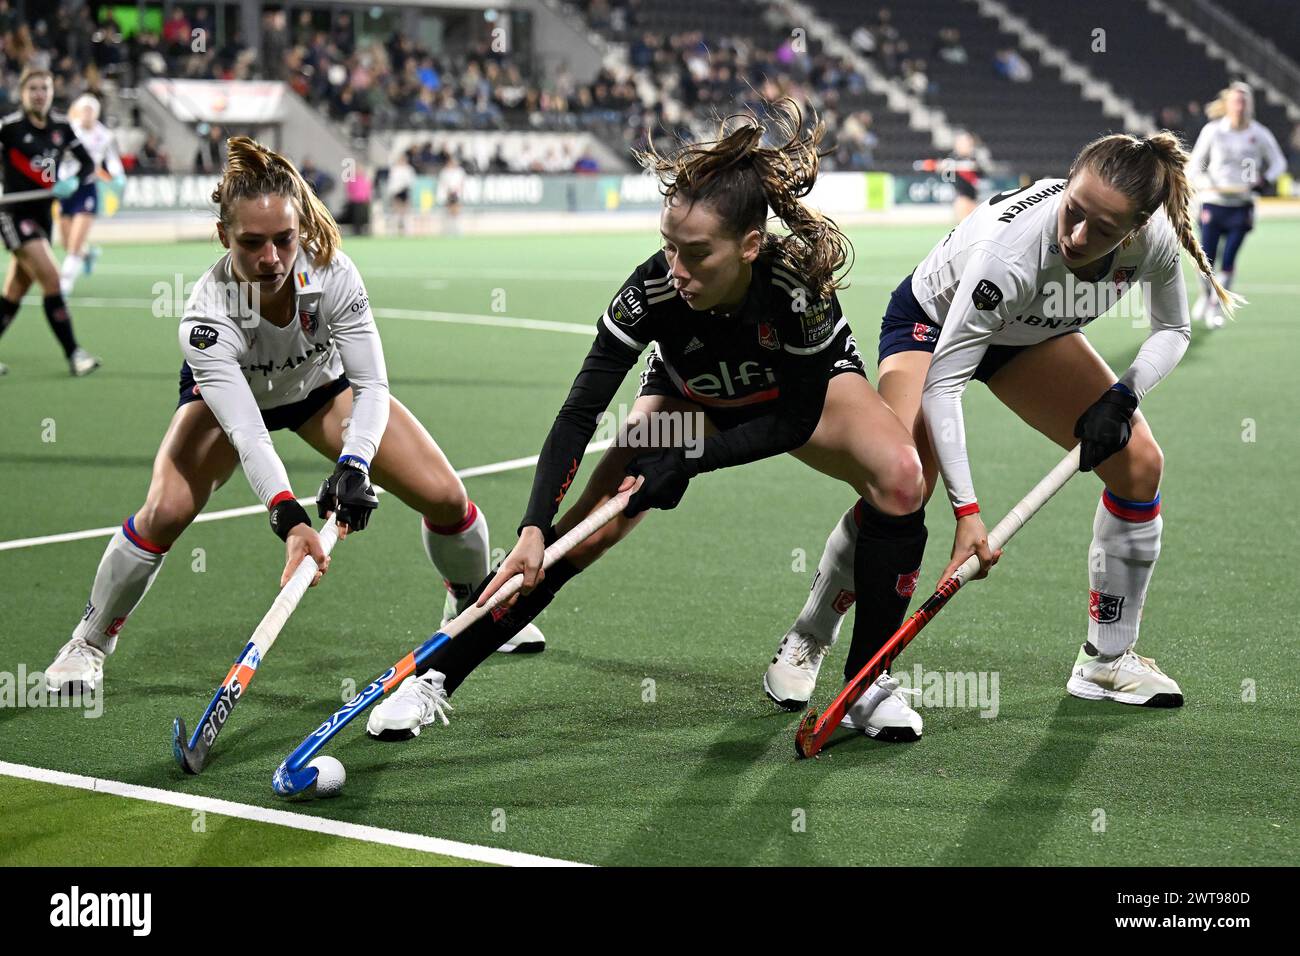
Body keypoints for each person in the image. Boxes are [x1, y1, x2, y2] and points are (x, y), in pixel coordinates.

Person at [365, 100, 932, 743]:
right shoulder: (654, 291)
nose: (677, 270)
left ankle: (866, 683)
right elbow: (581, 409)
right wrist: (531, 527)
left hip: (797, 393)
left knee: (902, 476)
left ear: (750, 246)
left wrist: (689, 461)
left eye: (697, 253)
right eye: (668, 247)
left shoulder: (795, 285)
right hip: (689, 397)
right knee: (579, 533)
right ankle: (434, 677)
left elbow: (796, 419)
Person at [44, 136, 541, 694]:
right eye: (251, 243)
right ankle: (87, 643)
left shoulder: (334, 273)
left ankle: (469, 607)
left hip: (319, 391)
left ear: (301, 227)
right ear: (223, 236)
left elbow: (372, 383)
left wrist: (354, 464)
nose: (271, 259)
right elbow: (246, 431)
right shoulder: (207, 317)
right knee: (165, 509)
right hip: (232, 402)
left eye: (283, 240)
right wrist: (288, 516)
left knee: (447, 497)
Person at [780, 132, 1239, 721]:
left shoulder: (1153, 240)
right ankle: (812, 634)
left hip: (1028, 336)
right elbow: (944, 384)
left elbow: (1172, 331)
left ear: (1135, 227)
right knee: (904, 486)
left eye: (1101, 230)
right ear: (1066, 179)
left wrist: (1123, 396)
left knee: (1140, 464)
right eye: (1073, 212)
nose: (1077, 237)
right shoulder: (1011, 252)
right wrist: (968, 513)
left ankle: (1106, 659)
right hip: (933, 322)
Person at [0, 67, 102, 377]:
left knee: (15, 291)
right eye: (33, 89)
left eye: (44, 88)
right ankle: (74, 354)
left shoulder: (61, 127)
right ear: (23, 94)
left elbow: (87, 163)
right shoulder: (10, 128)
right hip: (14, 215)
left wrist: (70, 181)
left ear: (52, 92)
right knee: (53, 280)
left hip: (43, 215)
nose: (39, 94)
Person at [1187, 82, 1286, 328]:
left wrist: (1265, 180)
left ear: (1249, 106)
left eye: (1244, 101)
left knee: (1229, 258)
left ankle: (1215, 306)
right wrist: (1200, 182)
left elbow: (1278, 164)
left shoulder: (1259, 133)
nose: (1240, 106)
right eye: (1235, 101)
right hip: (1213, 203)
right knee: (1205, 260)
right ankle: (1207, 295)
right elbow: (1194, 164)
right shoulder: (1213, 131)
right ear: (1228, 104)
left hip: (1242, 206)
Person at [57, 93, 126, 295]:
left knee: (74, 243)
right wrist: (52, 178)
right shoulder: (70, 130)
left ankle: (64, 284)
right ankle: (87, 255)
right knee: (66, 241)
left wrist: (118, 176)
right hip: (66, 188)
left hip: (87, 187)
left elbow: (112, 160)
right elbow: (55, 156)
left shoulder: (104, 135)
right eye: (84, 109)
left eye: (91, 110)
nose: (87, 113)